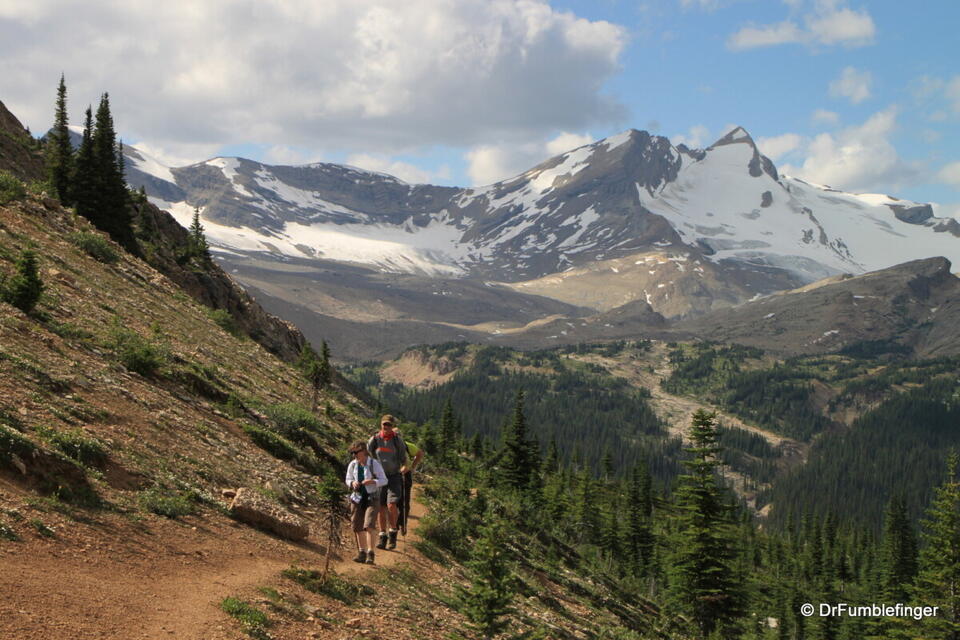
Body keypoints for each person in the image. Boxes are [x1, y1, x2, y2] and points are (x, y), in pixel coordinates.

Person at [367, 414, 407, 550]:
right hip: (380, 477)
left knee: (391, 505)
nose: (386, 427)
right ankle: (382, 535)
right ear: (381, 425)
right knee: (381, 507)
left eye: (389, 425)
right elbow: (368, 454)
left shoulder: (397, 441)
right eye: (384, 424)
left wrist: (404, 468)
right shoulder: (375, 439)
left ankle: (393, 532)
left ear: (392, 426)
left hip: (394, 476)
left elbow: (404, 458)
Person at [344, 441, 387, 564]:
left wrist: (373, 481)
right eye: (352, 453)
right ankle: (361, 552)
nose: (354, 455)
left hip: (372, 498)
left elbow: (384, 480)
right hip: (357, 497)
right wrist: (352, 483)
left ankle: (370, 553)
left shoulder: (374, 464)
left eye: (356, 452)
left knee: (369, 525)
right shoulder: (353, 465)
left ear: (363, 451)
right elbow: (348, 478)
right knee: (357, 525)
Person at [395, 430, 424, 536]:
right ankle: (396, 524)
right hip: (392, 474)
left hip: (404, 475)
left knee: (404, 500)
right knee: (394, 501)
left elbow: (419, 453)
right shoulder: (388, 445)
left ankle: (402, 523)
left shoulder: (407, 446)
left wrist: (411, 467)